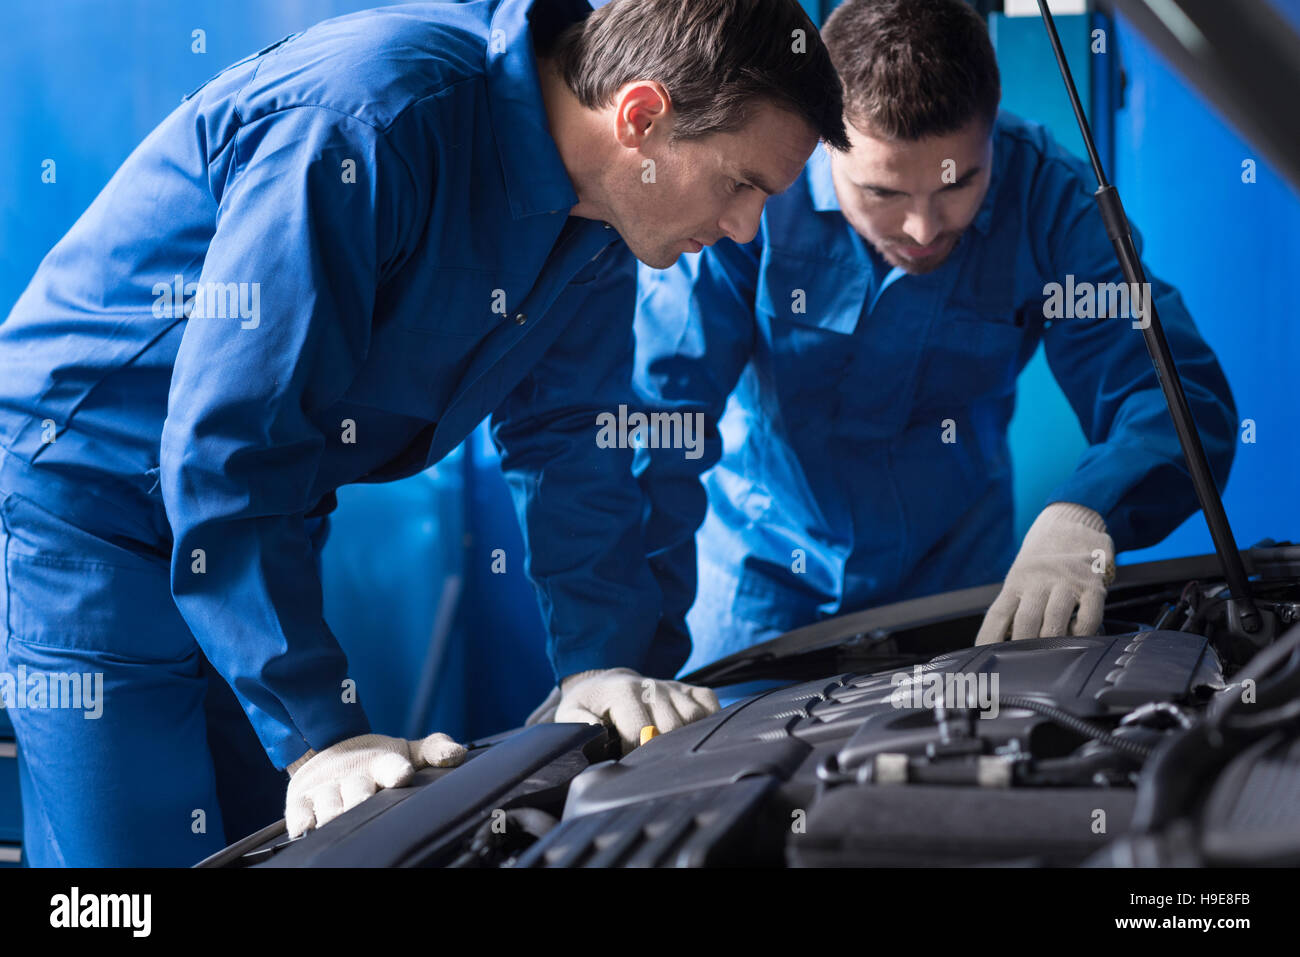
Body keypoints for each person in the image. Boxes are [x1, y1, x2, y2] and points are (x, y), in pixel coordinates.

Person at [0, 0, 847, 865]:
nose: (745, 229)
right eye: (742, 185)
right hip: (89, 497)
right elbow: (234, 435)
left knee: (280, 845)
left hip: (256, 524)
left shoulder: (600, 222)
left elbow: (569, 440)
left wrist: (600, 665)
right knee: (129, 875)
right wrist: (320, 732)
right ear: (641, 116)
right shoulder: (372, 118)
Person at [633, 0, 1236, 677]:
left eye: (960, 183)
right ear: (824, 141)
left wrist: (1085, 515)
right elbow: (659, 421)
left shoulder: (1049, 198)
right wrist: (625, 657)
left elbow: (1176, 397)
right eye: (884, 192)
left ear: (991, 138)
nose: (923, 230)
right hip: (762, 587)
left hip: (958, 594)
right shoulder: (755, 193)